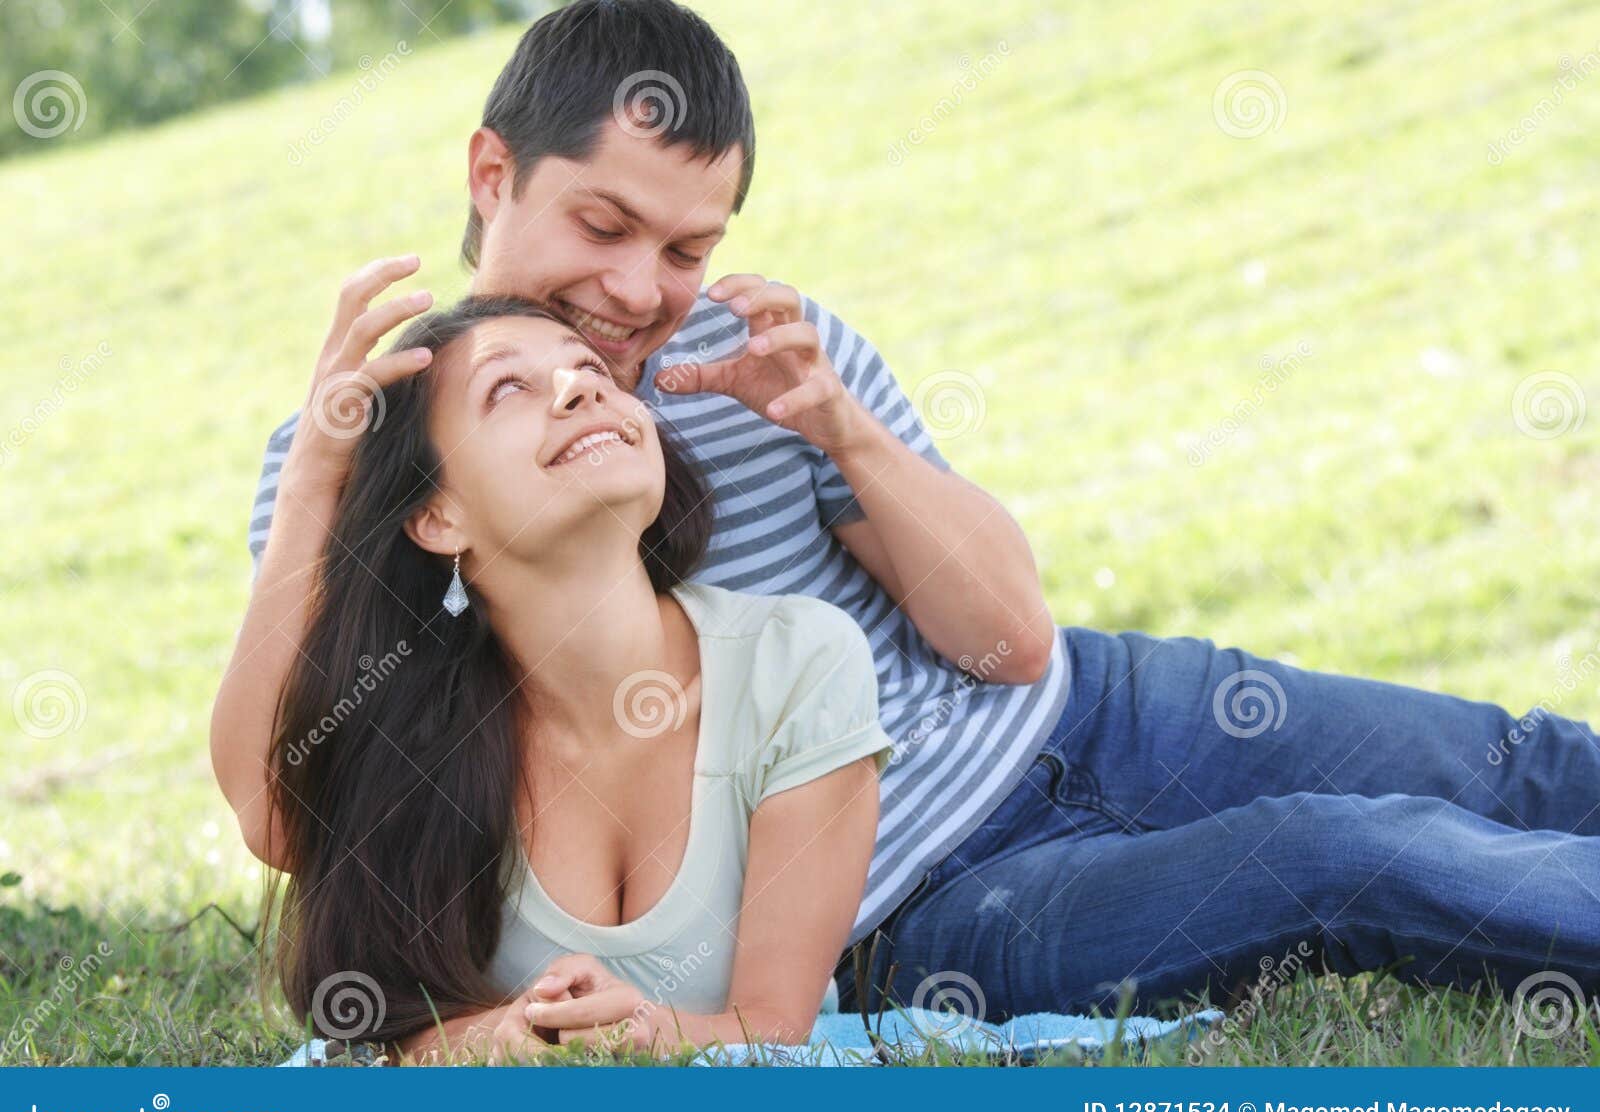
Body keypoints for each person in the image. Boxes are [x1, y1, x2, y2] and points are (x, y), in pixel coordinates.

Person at [214, 0, 1600, 1039]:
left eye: (688, 248)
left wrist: (841, 428)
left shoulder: (769, 364)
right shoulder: (376, 442)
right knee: (1352, 856)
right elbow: (286, 817)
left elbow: (1006, 639)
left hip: (1097, 712)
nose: (642, 291)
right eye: (604, 225)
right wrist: (315, 497)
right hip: (926, 904)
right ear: (491, 175)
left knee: (1511, 768)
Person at [245, 293, 892, 1063]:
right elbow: (270, 810)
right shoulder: (405, 726)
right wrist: (311, 475)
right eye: (507, 388)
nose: (582, 388)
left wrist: (645, 1033)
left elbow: (775, 1029)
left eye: (590, 368)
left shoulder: (798, 663)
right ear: (438, 516)